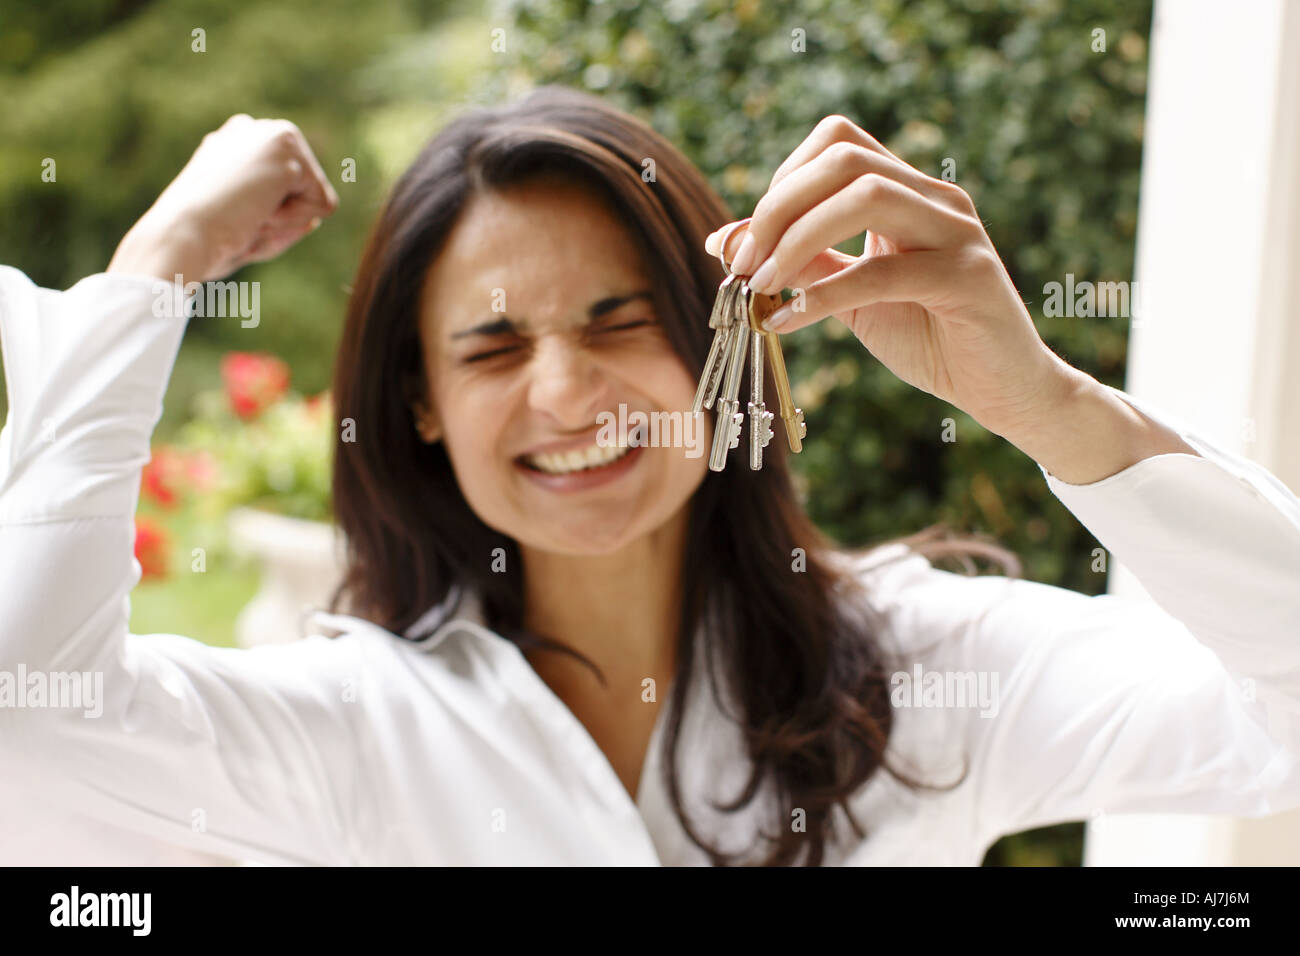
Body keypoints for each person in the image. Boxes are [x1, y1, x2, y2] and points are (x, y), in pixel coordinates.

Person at [1, 85, 1297, 866]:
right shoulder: (350, 728)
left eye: (619, 323)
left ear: (715, 342)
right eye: (494, 347)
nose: (568, 395)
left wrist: (1048, 406)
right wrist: (157, 266)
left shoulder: (924, 673)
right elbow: (30, 737)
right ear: (422, 407)